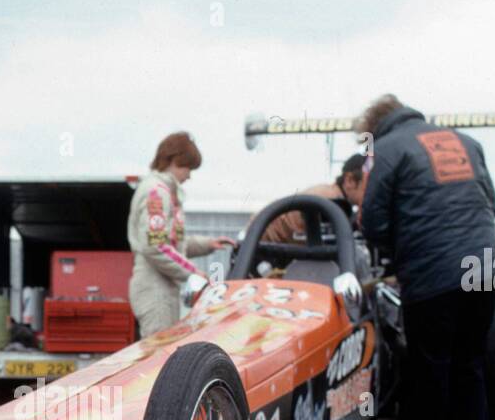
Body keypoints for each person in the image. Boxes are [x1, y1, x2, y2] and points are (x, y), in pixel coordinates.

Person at [357, 95, 495, 420]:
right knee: (468, 366)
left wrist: (397, 252)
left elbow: (372, 220)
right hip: (487, 266)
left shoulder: (386, 148)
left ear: (375, 127)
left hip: (434, 272)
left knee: (427, 369)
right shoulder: (466, 142)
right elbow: (493, 203)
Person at [127, 132, 234, 338]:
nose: (189, 175)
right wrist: (194, 272)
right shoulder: (156, 193)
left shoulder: (163, 191)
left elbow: (171, 244)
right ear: (174, 161)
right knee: (157, 359)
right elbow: (156, 246)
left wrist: (208, 244)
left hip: (161, 289)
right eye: (188, 168)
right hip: (155, 291)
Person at [256, 153, 368, 244]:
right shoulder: (331, 202)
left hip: (261, 241)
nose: (370, 192)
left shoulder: (327, 192)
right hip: (263, 249)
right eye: (368, 185)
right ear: (350, 180)